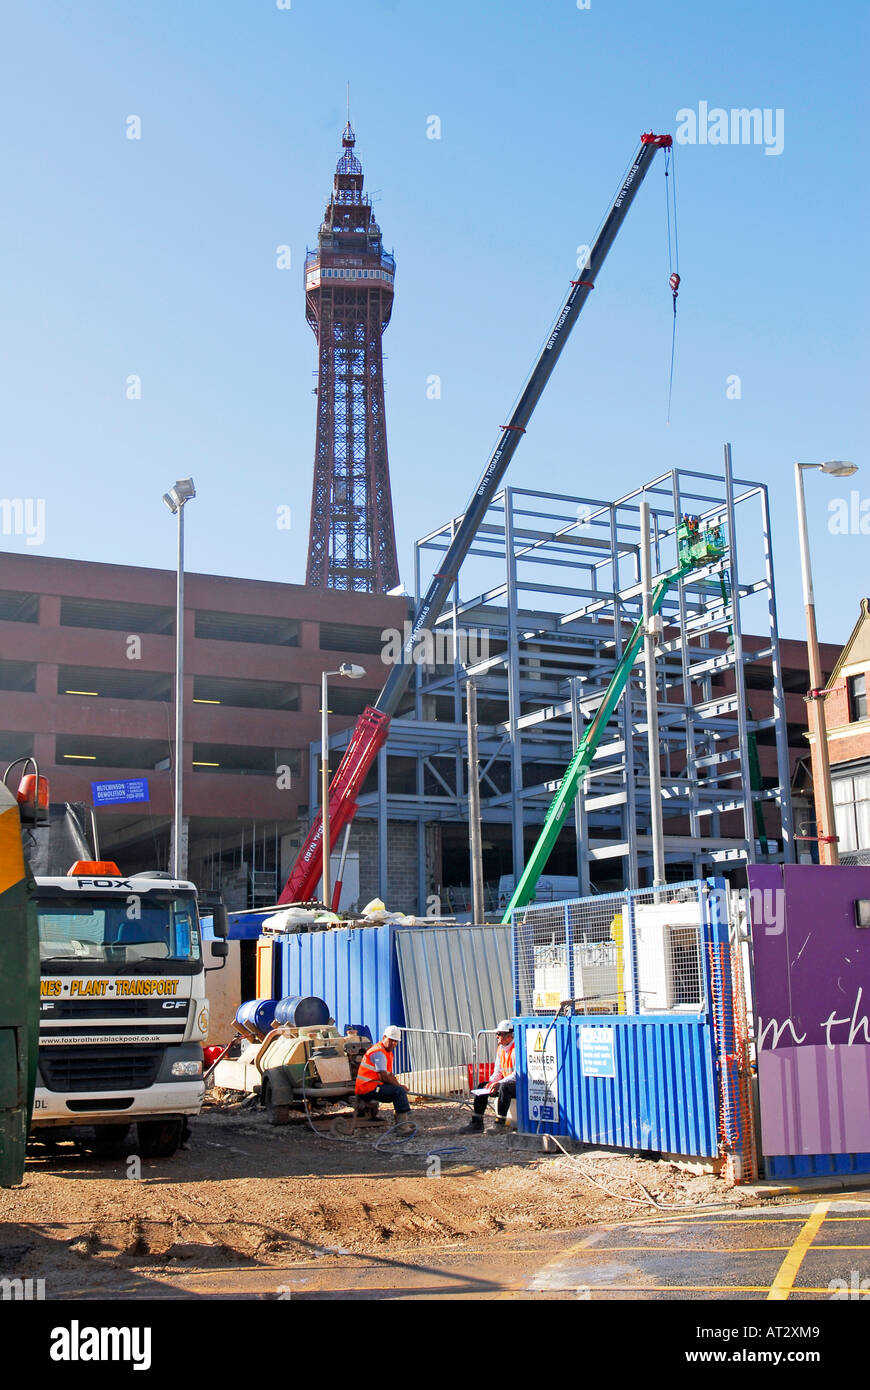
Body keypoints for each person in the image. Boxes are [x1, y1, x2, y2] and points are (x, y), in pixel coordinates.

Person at [354, 1025, 413, 1130]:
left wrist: (400, 1086)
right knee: (398, 1092)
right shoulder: (379, 1053)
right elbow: (384, 1077)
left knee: (399, 1090)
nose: (394, 1043)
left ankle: (403, 1122)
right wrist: (400, 1088)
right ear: (384, 1038)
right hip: (367, 1089)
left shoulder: (387, 1053)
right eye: (391, 1040)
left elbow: (389, 1075)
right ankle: (402, 1127)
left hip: (372, 1086)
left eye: (396, 1041)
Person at [461, 1020, 515, 1133]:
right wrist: (491, 1082)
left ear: (509, 1036)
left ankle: (500, 1124)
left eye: (499, 1034)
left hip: (517, 1085)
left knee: (504, 1087)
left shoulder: (516, 1050)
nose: (497, 1036)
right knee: (483, 1086)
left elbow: (517, 1074)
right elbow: (498, 1070)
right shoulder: (501, 1048)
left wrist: (499, 1083)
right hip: (505, 1082)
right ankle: (477, 1122)